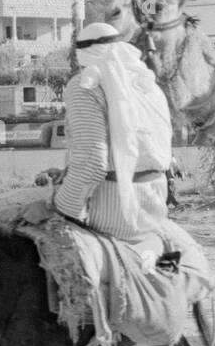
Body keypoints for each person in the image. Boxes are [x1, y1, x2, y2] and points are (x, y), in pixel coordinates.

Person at [52, 21, 173, 242]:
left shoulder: (86, 84)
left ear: (81, 54)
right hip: (156, 203)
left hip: (116, 209)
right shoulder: (147, 83)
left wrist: (60, 208)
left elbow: (93, 163)